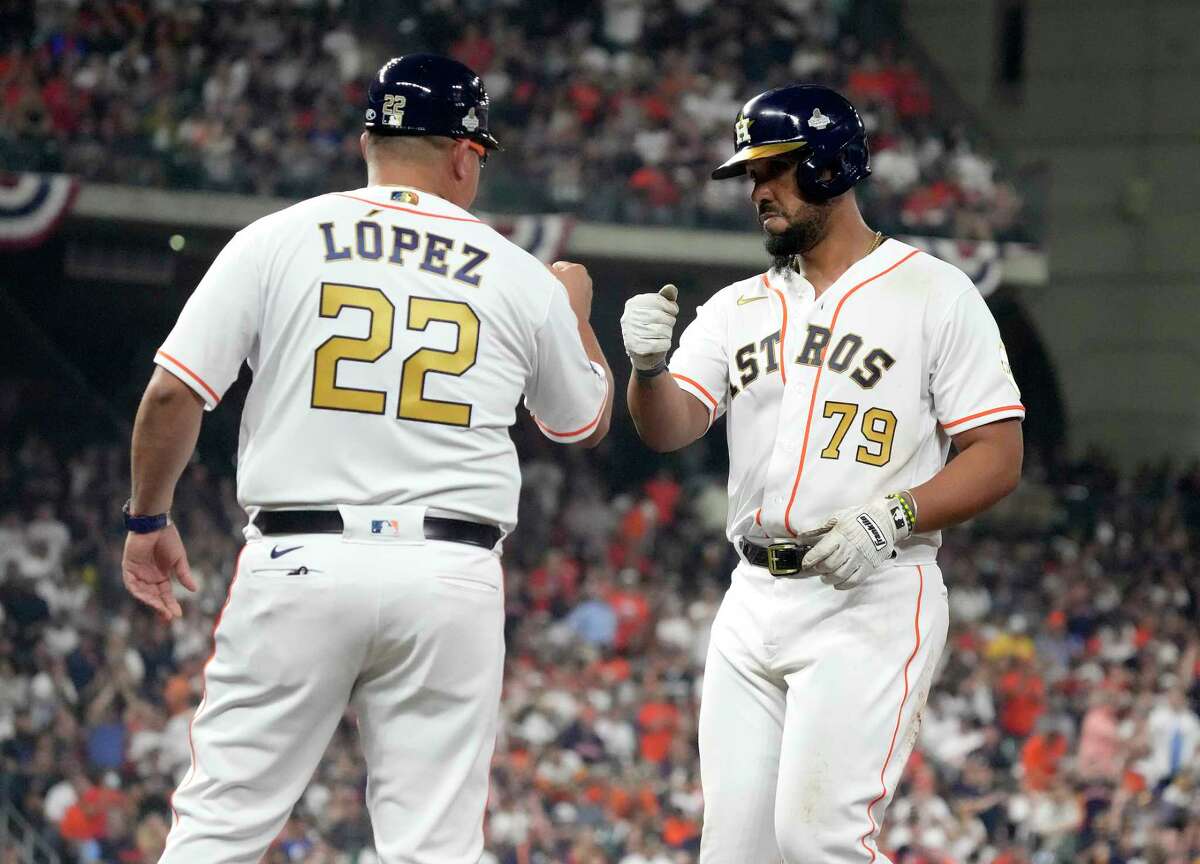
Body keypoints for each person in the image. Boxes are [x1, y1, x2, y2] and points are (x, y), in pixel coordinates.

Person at [120, 53, 612, 863]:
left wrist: (148, 516)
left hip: (298, 555)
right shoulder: (520, 275)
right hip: (449, 576)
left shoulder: (277, 238)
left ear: (367, 144)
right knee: (433, 847)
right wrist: (576, 314)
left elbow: (174, 395)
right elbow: (582, 422)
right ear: (465, 153)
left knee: (218, 829)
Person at [620, 84, 1023, 863]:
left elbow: (999, 457)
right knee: (734, 853)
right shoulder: (739, 305)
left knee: (819, 841)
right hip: (753, 597)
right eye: (751, 175)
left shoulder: (934, 292)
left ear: (835, 164)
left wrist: (894, 515)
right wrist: (645, 369)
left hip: (871, 591)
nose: (759, 192)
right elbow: (670, 426)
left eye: (776, 169)